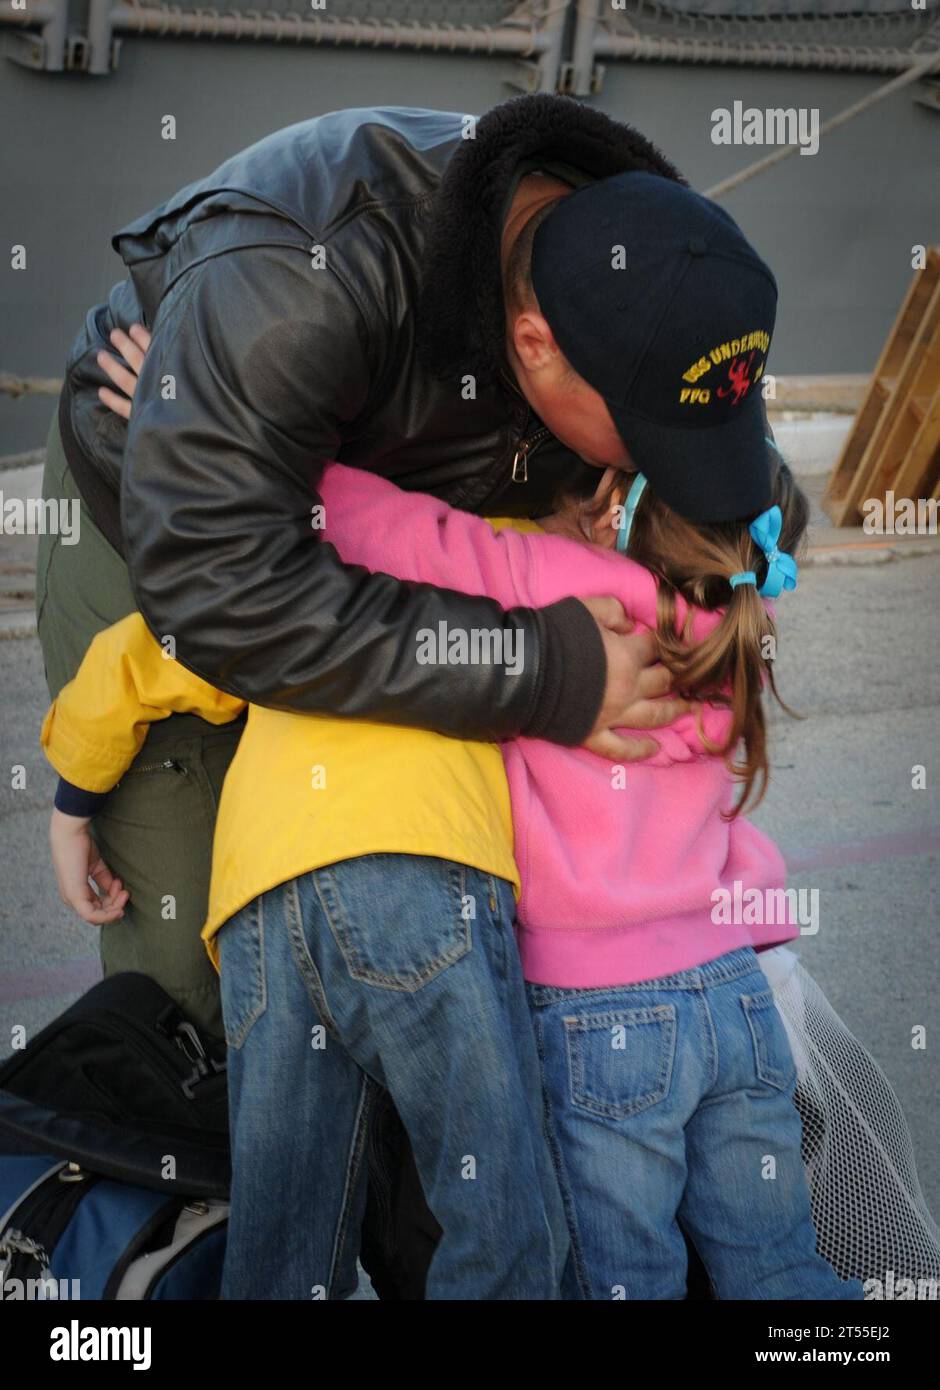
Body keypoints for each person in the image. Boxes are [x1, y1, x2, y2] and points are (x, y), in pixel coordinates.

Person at [43, 175, 861, 1299]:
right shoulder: (722, 638)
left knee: (324, 1237)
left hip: (324, 913)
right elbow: (735, 852)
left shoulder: (526, 578)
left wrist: (198, 429)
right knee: (713, 1262)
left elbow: (333, 547)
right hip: (632, 960)